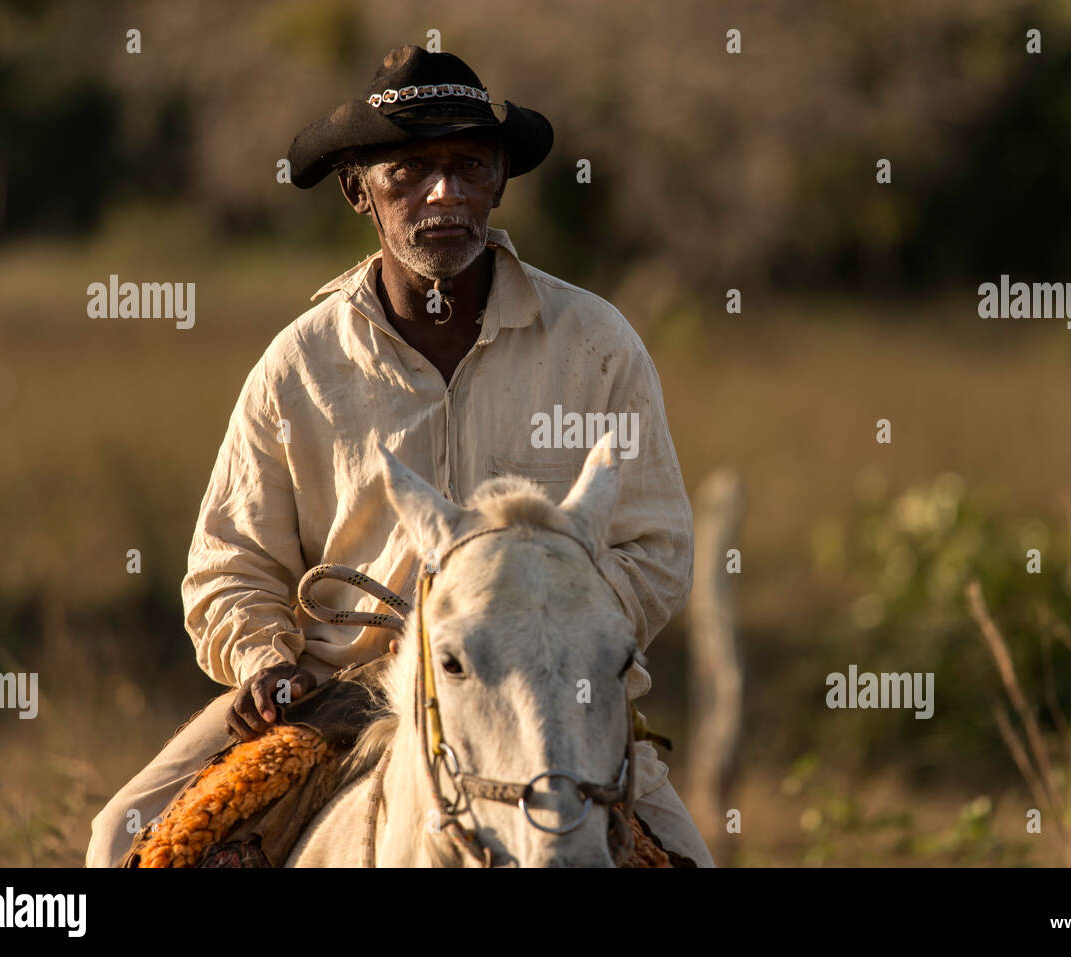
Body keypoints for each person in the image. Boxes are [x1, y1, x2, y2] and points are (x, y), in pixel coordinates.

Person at [85, 44, 713, 868]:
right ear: (359, 191)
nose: (444, 192)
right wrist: (266, 660)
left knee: (689, 861)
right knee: (121, 836)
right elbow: (229, 565)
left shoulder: (598, 345)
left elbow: (657, 546)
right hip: (332, 703)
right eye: (410, 170)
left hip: (554, 702)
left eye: (467, 166)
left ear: (498, 180)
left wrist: (548, 630)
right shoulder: (299, 365)